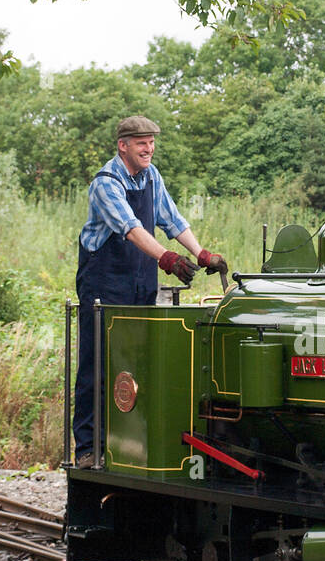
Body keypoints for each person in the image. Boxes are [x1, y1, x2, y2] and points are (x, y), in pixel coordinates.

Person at [72, 115, 227, 468]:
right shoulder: (106, 182)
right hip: (105, 284)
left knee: (137, 366)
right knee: (98, 365)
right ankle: (87, 447)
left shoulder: (152, 177)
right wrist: (167, 258)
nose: (149, 148)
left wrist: (201, 253)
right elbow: (131, 229)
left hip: (141, 281)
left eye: (152, 141)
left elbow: (172, 220)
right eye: (142, 142)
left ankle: (130, 443)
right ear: (122, 145)